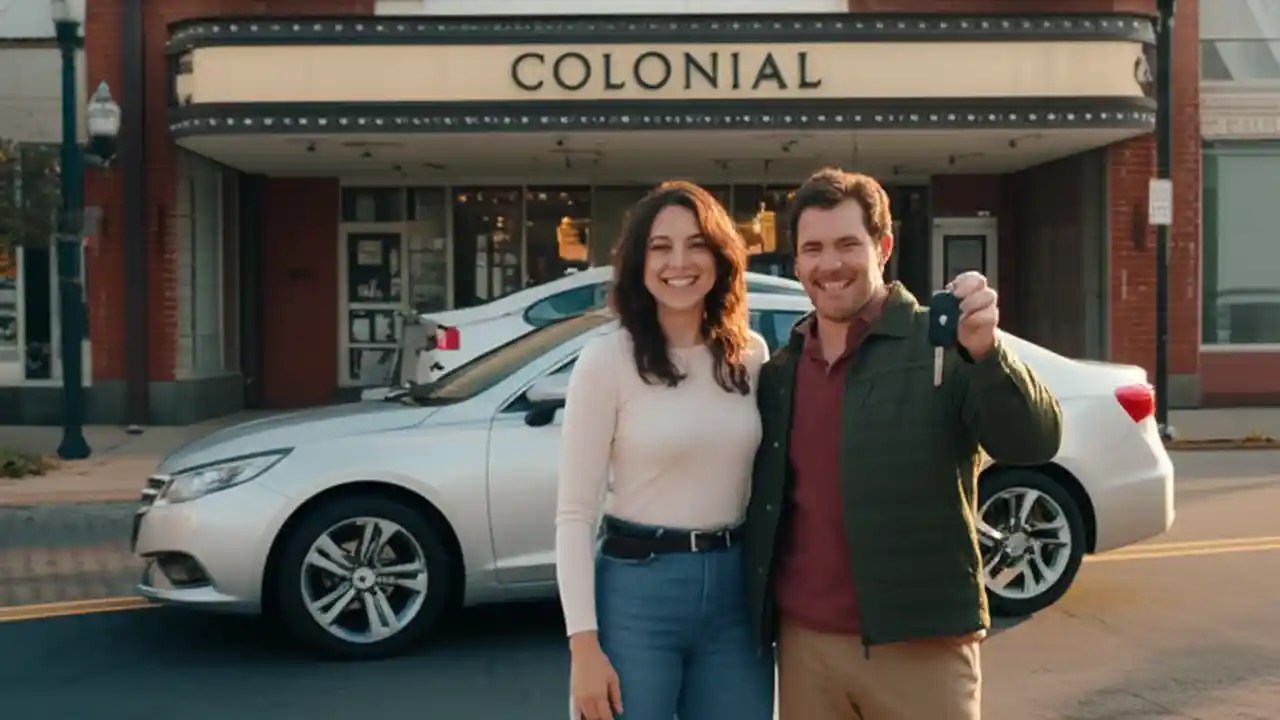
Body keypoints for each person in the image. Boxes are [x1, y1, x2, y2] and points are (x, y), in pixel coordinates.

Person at [741, 167, 1064, 720]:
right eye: (813, 248)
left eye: (848, 244)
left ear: (883, 246)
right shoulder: (782, 371)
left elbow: (1034, 439)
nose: (830, 264)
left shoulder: (941, 345)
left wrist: (987, 355)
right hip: (805, 651)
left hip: (923, 649)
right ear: (796, 263)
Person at [555, 180, 775, 720]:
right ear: (638, 262)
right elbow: (574, 516)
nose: (680, 261)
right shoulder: (606, 361)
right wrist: (583, 647)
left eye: (697, 243)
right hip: (637, 595)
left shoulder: (750, 356)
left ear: (722, 257)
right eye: (660, 246)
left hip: (735, 596)